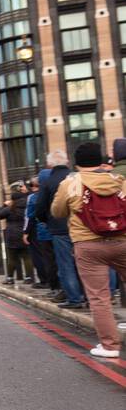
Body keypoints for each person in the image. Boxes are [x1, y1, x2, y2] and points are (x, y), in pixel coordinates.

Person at [51, 142, 126, 357]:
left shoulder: (71, 183)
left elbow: (57, 211)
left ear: (78, 163)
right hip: (122, 241)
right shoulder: (118, 180)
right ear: (101, 160)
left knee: (99, 297)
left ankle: (110, 346)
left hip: (88, 244)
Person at [35, 149, 87, 309]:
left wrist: (47, 221)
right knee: (85, 264)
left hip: (59, 229)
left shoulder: (48, 182)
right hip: (82, 227)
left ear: (50, 164)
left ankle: (74, 298)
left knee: (66, 265)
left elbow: (40, 208)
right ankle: (89, 296)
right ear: (67, 162)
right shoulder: (77, 178)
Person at [0, 182, 33, 286]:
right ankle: (29, 277)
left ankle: (10, 278)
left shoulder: (10, 208)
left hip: (12, 235)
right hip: (25, 233)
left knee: (12, 258)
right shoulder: (27, 205)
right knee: (26, 256)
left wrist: (4, 205)